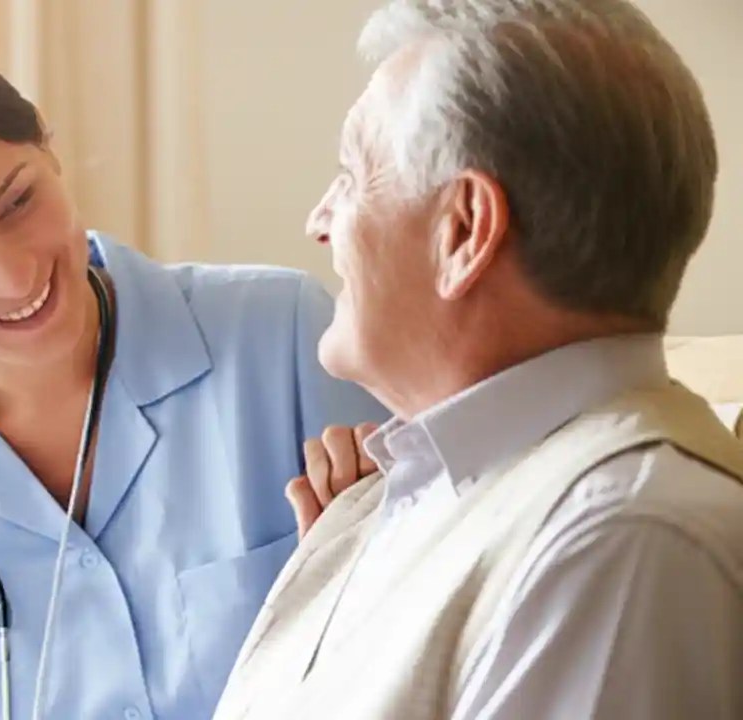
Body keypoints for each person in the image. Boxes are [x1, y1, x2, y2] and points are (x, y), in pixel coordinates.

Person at [0, 25, 386, 719]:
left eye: (16, 203)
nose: (13, 276)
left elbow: (442, 615)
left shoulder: (284, 340)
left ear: (48, 149)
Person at [214, 1, 743, 719]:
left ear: (464, 229)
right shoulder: (402, 503)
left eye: (350, 174)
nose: (319, 221)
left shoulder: (621, 545)